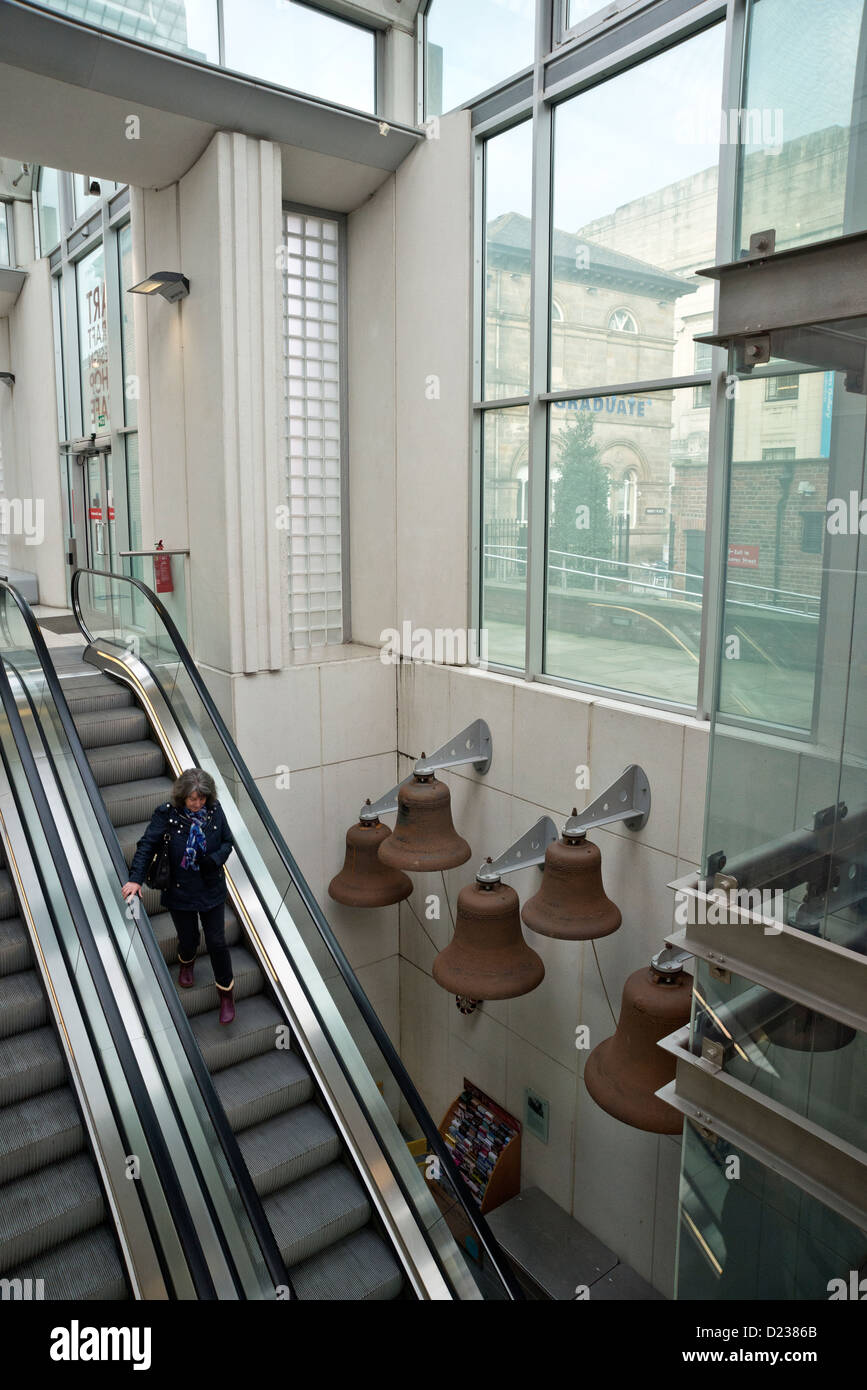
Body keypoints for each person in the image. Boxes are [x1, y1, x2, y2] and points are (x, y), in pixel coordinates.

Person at [122, 768, 236, 1025]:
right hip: (179, 889)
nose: (198, 804)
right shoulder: (167, 815)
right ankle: (187, 961)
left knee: (217, 942)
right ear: (182, 797)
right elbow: (146, 845)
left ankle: (226, 995)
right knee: (188, 937)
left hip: (211, 888)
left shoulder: (215, 811)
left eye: (202, 798)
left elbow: (228, 841)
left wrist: (214, 860)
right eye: (193, 799)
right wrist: (135, 878)